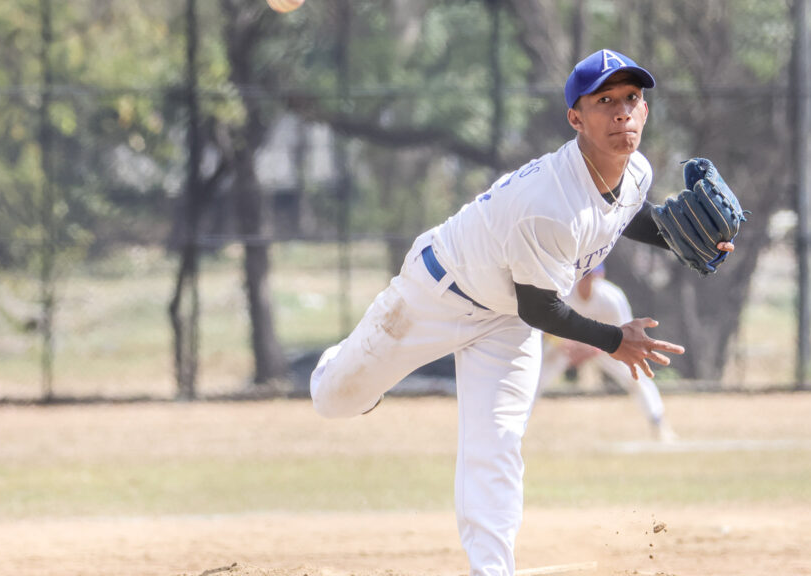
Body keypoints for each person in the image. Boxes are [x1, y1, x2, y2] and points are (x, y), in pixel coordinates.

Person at [310, 48, 734, 576]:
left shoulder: (637, 171)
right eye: (605, 101)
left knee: (498, 445)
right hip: (437, 293)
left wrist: (682, 240)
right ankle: (343, 361)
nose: (622, 111)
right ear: (575, 118)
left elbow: (624, 215)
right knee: (335, 400)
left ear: (645, 111)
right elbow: (543, 309)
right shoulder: (549, 205)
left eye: (632, 98)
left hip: (505, 318)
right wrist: (613, 340)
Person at [537, 264, 677, 442]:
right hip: (568, 345)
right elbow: (545, 324)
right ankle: (517, 427)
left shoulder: (612, 297)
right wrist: (565, 345)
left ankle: (658, 423)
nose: (586, 280)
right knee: (535, 379)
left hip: (605, 345)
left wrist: (594, 348)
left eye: (590, 275)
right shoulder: (564, 294)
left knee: (636, 377)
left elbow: (625, 337)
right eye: (583, 275)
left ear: (600, 275)